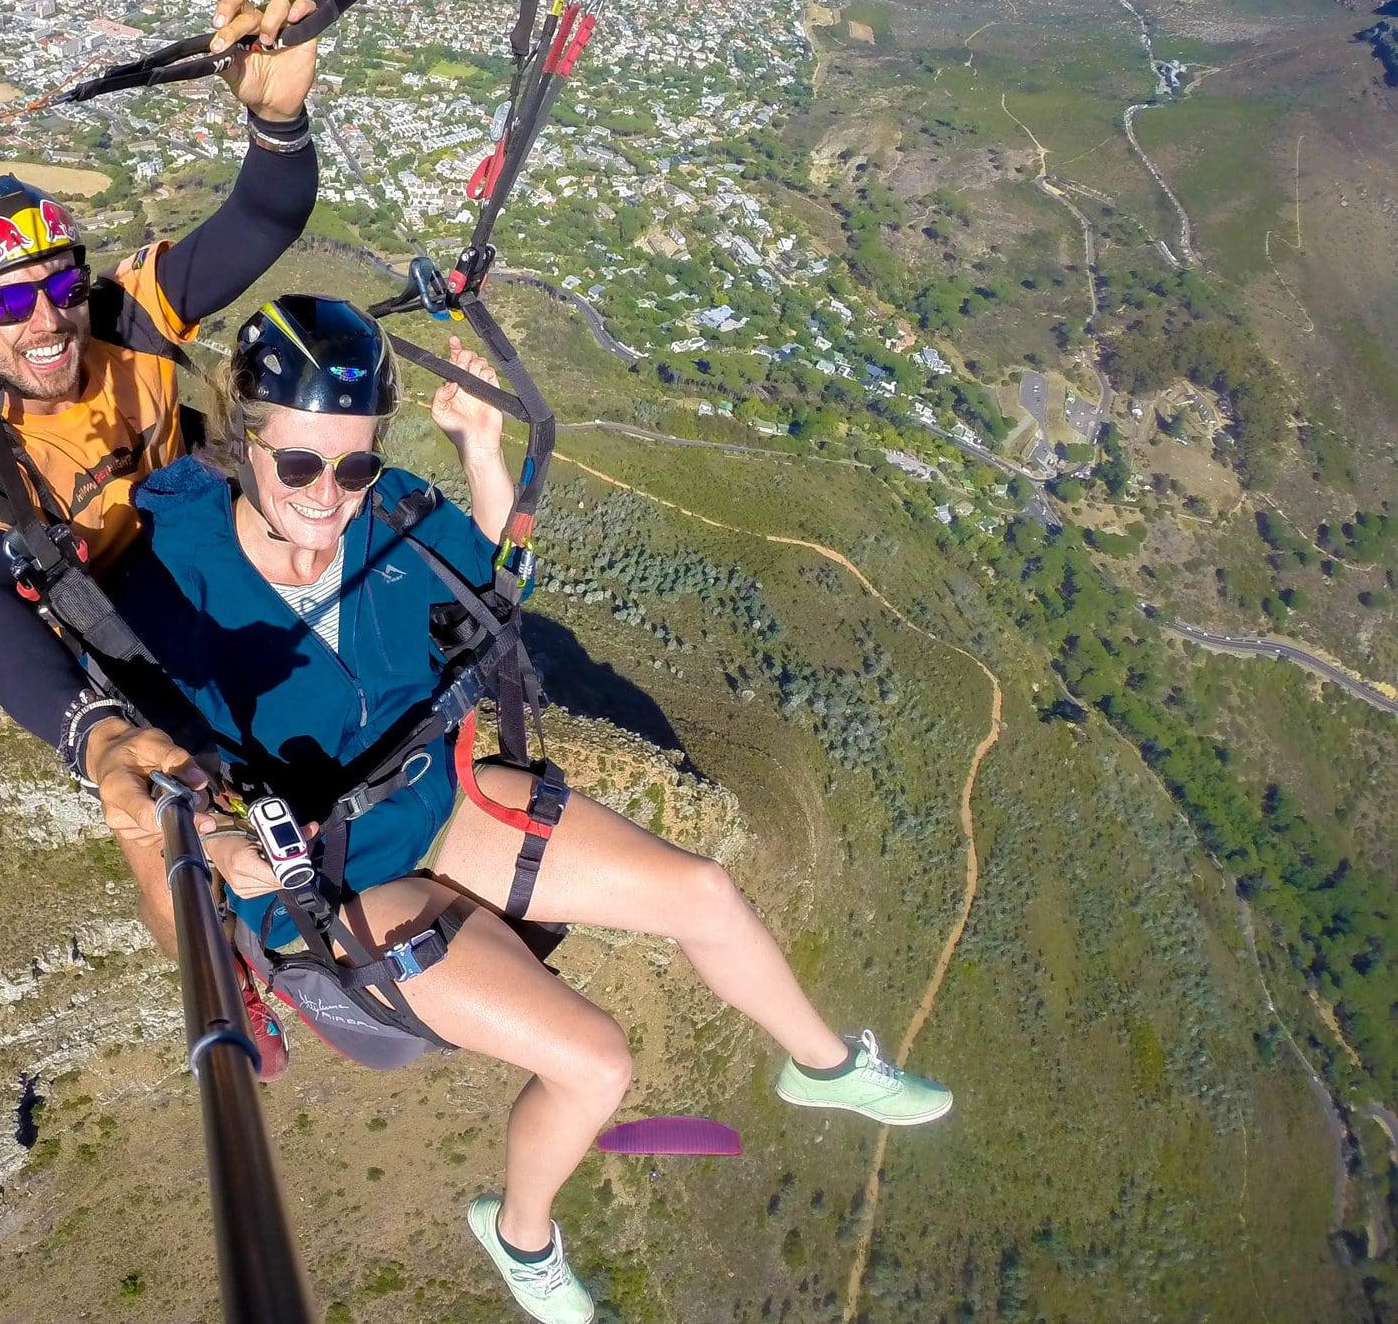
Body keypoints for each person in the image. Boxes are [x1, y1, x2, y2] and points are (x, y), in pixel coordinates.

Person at [105, 295, 953, 1324]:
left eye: (355, 465)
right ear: (247, 444)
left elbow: (500, 589)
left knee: (704, 891)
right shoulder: (169, 570)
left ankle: (821, 1065)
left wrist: (479, 453)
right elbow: (130, 746)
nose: (329, 497)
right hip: (325, 881)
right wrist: (221, 847)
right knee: (596, 1062)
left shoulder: (393, 517)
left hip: (431, 801)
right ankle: (521, 1238)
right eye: (299, 466)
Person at [0, 0, 322, 963]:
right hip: (102, 613)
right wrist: (94, 739)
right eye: (8, 302)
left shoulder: (124, 316)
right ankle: (228, 979)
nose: (47, 320)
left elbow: (263, 217)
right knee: (162, 813)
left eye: (56, 285)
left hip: (194, 539)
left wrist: (276, 120)